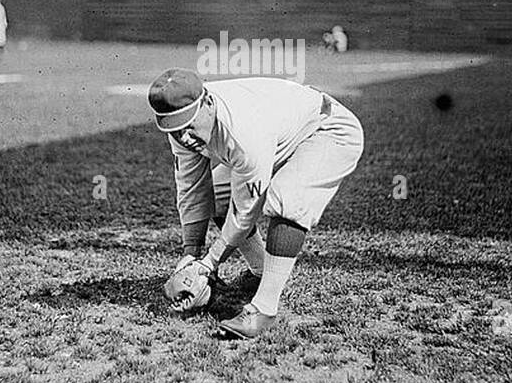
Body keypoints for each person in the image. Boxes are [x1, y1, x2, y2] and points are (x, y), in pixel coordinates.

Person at [149, 68, 364, 339]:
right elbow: (192, 189)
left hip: (328, 130)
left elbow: (245, 210)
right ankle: (261, 272)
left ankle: (264, 309)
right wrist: (191, 254)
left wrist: (208, 265)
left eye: (188, 125)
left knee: (286, 198)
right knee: (219, 193)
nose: (184, 137)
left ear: (207, 103)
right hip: (282, 137)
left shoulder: (243, 127)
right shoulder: (182, 130)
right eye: (176, 130)